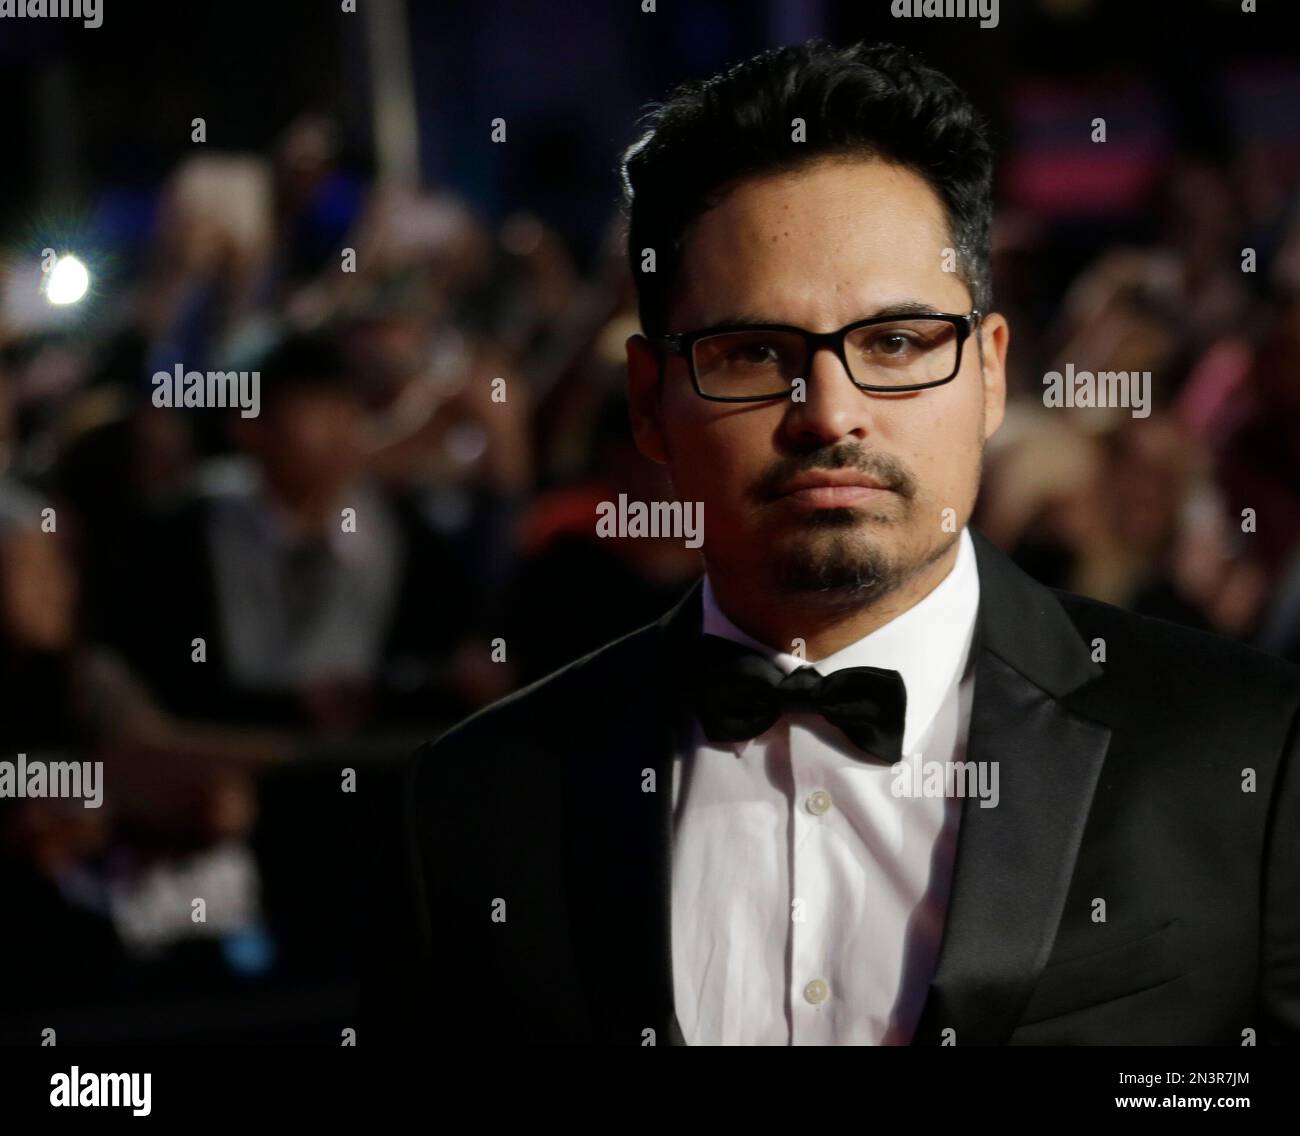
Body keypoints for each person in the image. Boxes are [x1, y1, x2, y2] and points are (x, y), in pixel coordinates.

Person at [360, 40, 1300, 1046]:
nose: (830, 411)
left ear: (988, 373)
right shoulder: (477, 802)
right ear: (648, 401)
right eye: (754, 352)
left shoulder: (1244, 751)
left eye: (895, 342)